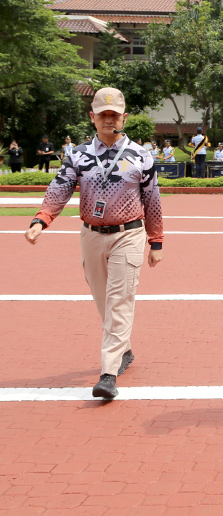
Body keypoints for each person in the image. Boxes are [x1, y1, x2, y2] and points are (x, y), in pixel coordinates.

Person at [25, 87, 164, 400]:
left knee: (119, 300)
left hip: (128, 234)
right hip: (91, 234)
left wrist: (156, 241)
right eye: (103, 114)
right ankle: (123, 349)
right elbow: (60, 188)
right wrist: (41, 219)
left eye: (114, 115)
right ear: (93, 117)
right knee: (103, 300)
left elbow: (152, 199)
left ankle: (108, 373)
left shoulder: (140, 155)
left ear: (124, 117)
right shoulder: (78, 154)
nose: (109, 119)